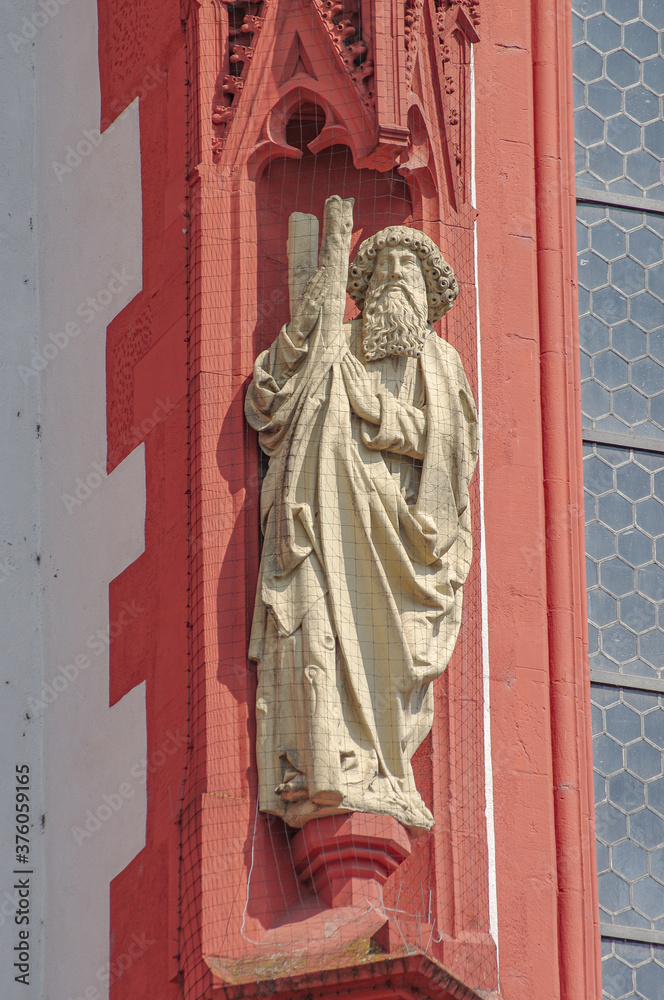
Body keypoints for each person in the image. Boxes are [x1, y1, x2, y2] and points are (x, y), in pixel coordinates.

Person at [245, 218, 478, 835]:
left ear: (428, 291)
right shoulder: (336, 344)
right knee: (316, 632)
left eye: (410, 268)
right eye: (384, 268)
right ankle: (328, 764)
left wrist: (379, 413)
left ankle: (387, 770)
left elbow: (453, 450)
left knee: (386, 651)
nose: (395, 277)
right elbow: (271, 399)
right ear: (365, 284)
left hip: (405, 543)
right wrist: (308, 325)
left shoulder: (443, 363)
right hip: (326, 521)